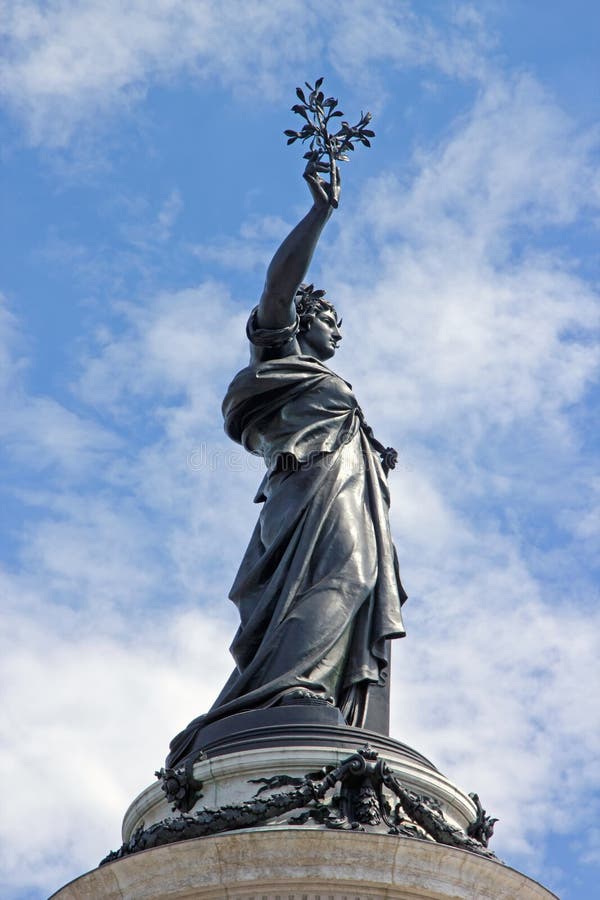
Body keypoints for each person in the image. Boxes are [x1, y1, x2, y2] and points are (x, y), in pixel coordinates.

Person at [167, 162, 407, 769]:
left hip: (346, 486)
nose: (339, 331)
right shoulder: (278, 351)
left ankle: (310, 688)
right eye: (330, 319)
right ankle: (289, 686)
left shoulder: (329, 383)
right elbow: (277, 290)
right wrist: (319, 213)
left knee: (358, 581)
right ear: (302, 319)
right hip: (306, 489)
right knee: (344, 576)